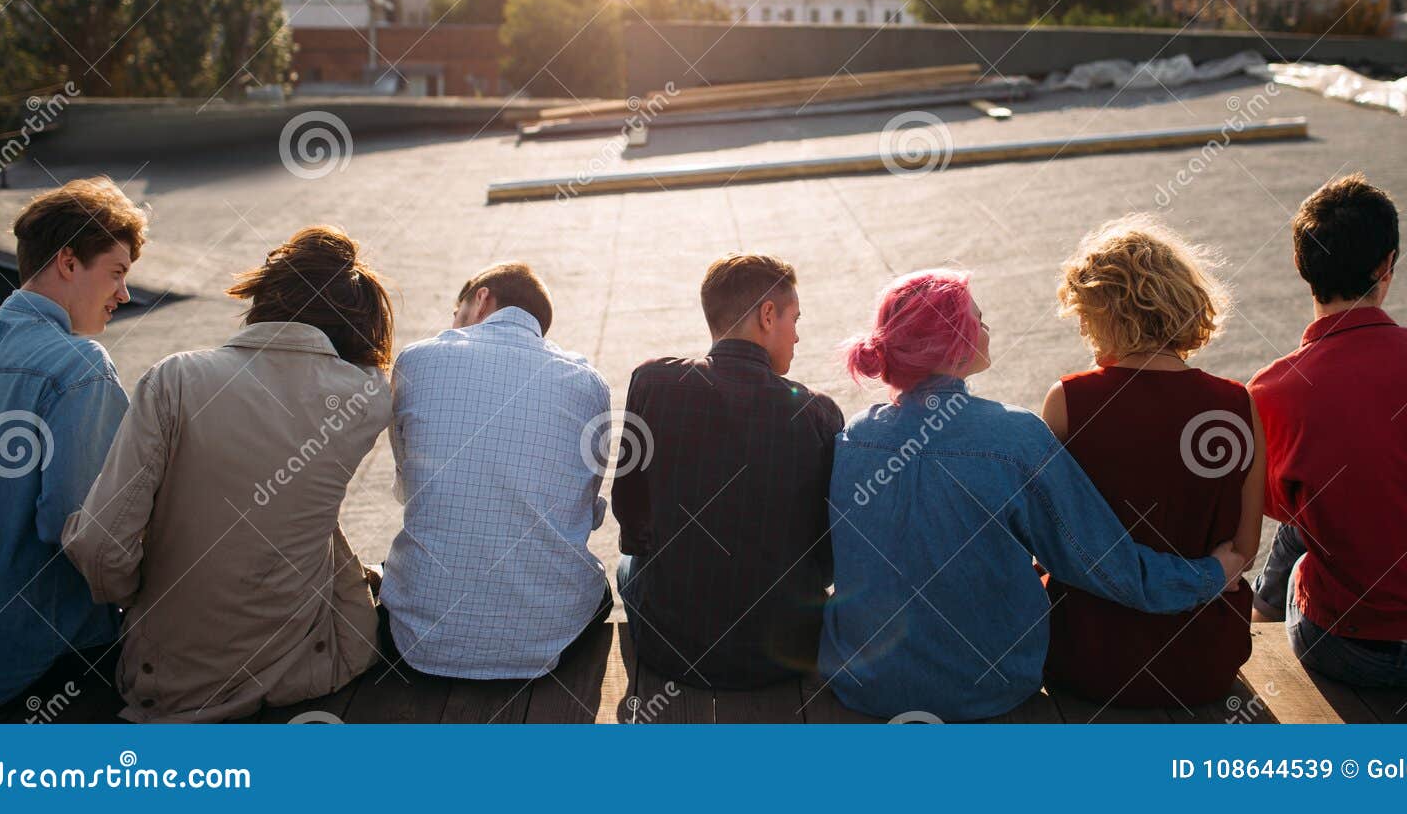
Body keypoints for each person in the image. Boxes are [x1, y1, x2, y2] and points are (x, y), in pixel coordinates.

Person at [818, 269, 1245, 722]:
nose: (986, 330)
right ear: (953, 341)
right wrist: (1209, 575)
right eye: (978, 320)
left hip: (861, 684)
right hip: (985, 689)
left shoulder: (856, 436)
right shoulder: (1013, 437)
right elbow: (1103, 564)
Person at [63, 226, 391, 722]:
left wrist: (150, 592)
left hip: (167, 681)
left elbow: (101, 548)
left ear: (262, 296)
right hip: (307, 664)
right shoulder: (368, 398)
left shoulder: (175, 380)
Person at [1249, 174, 1407, 688]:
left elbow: (1280, 510)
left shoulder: (1272, 389)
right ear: (1387, 265)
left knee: (1304, 527)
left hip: (1349, 648)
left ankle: (1259, 617)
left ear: (1301, 266)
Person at [1041, 219, 1263, 707]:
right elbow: (1244, 547)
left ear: (1103, 313)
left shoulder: (1070, 401)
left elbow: (1051, 542)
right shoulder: (1236, 404)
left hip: (1087, 657)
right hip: (1202, 662)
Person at [612, 253, 844, 688]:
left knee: (629, 561)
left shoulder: (652, 382)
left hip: (669, 647)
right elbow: (826, 554)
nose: (798, 336)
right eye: (795, 318)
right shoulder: (818, 413)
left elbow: (631, 518)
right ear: (768, 315)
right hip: (786, 651)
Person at [380, 263, 613, 679]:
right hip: (553, 637)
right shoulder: (587, 383)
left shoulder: (416, 361)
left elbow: (406, 484)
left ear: (482, 299)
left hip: (419, 641)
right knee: (600, 588)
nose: (452, 324)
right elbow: (587, 509)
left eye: (457, 311)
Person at [0, 178, 147, 715]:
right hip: (36, 669)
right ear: (68, 262)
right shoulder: (80, 367)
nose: (124, 294)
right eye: (115, 273)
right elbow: (84, 532)